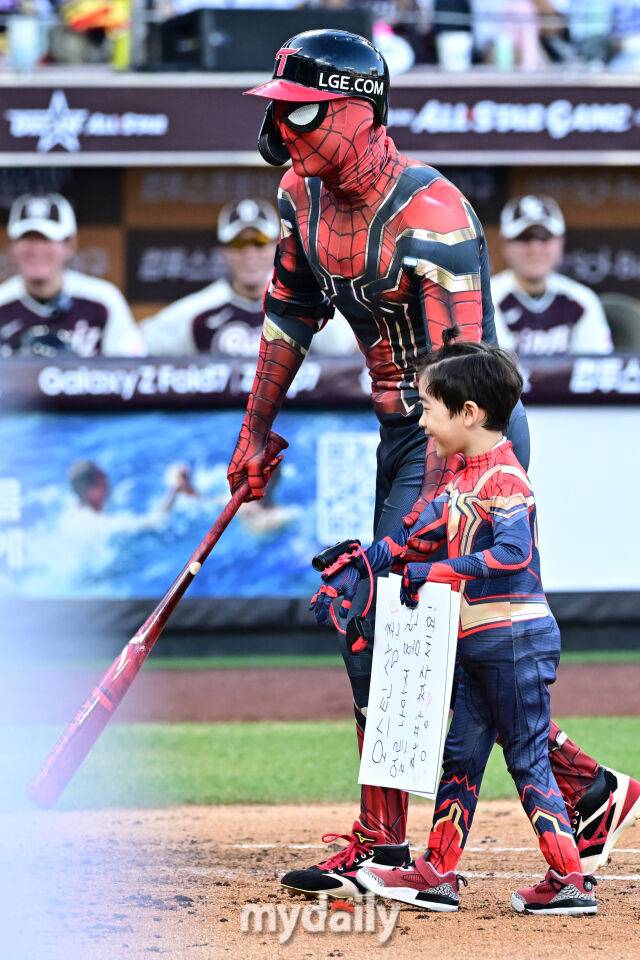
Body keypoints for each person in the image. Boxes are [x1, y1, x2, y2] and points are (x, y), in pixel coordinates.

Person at [226, 28, 638, 899]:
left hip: (463, 440)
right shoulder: (300, 193)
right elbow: (287, 312)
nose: (285, 132)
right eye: (281, 113)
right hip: (401, 432)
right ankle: (588, 789)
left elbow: (467, 392)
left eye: (303, 113)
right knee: (448, 651)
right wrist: (254, 431)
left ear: (358, 110)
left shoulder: (433, 214)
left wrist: (431, 523)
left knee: (387, 618)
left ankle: (384, 844)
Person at [319, 333, 596, 914]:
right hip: (480, 643)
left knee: (526, 758)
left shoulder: (504, 480)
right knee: (462, 759)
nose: (421, 420)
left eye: (428, 407)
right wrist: (356, 566)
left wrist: (441, 570)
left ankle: (570, 881)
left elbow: (514, 554)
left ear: (468, 413)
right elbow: (408, 540)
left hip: (515, 639)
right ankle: (437, 874)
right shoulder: (460, 479)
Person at [142, 197, 355, 357]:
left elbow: (348, 351)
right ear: (223, 252)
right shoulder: (198, 311)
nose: (249, 254)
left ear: (278, 246)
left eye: (260, 243)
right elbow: (138, 348)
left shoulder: (308, 303)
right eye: (238, 244)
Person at [0, 193, 145, 358]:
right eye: (28, 239)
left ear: (70, 244)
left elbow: (133, 368)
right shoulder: (2, 301)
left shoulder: (102, 299)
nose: (36, 249)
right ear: (12, 245)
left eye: (47, 239)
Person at [492, 195, 613, 356]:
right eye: (523, 238)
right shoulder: (486, 299)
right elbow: (492, 373)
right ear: (505, 245)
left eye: (544, 237)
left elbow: (595, 368)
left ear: (561, 242)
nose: (535, 248)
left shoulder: (582, 300)